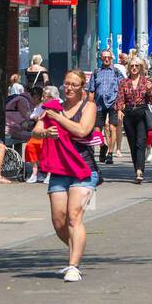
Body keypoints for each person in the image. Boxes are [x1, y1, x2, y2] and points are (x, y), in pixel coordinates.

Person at [34, 70, 99, 281]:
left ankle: (73, 265)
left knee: (74, 216)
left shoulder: (88, 107)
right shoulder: (53, 107)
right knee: (59, 221)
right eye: (66, 84)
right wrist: (45, 132)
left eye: (74, 85)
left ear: (82, 87)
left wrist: (58, 119)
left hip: (83, 169)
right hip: (59, 169)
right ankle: (75, 249)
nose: (69, 88)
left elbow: (82, 130)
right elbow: (36, 130)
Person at [116, 55, 152, 185]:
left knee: (141, 142)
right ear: (129, 67)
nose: (134, 68)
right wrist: (119, 110)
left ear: (141, 67)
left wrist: (149, 90)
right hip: (129, 113)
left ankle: (140, 170)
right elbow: (120, 98)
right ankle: (137, 167)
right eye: (132, 66)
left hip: (142, 112)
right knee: (132, 143)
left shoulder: (146, 81)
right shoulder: (124, 82)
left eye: (137, 66)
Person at [87, 49, 124, 163]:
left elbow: (122, 88)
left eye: (108, 57)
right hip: (99, 104)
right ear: (101, 59)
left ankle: (110, 153)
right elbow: (91, 90)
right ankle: (103, 146)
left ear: (111, 59)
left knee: (112, 127)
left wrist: (121, 104)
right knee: (97, 131)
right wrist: (90, 104)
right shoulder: (96, 72)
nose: (106, 59)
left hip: (113, 103)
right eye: (104, 57)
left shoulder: (116, 72)